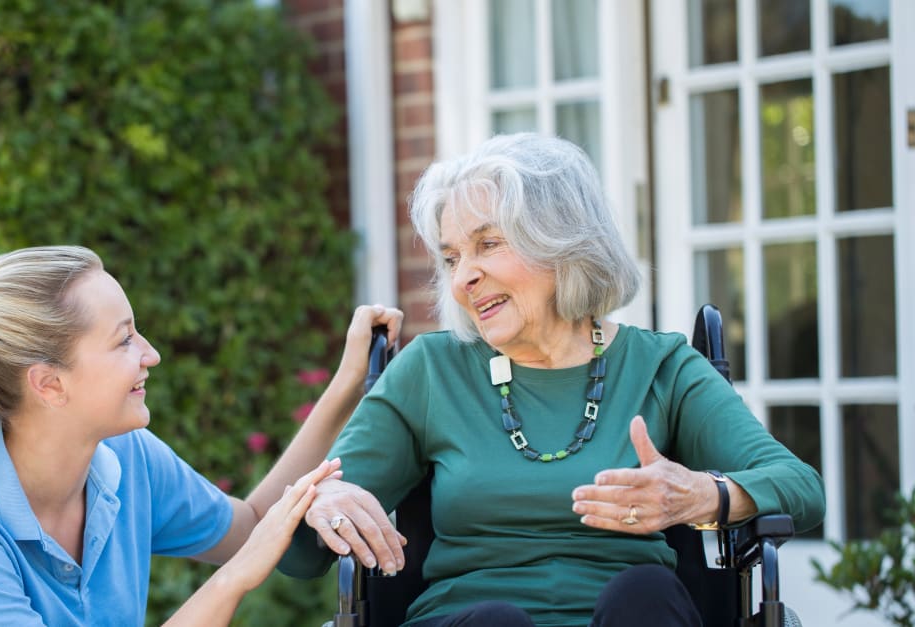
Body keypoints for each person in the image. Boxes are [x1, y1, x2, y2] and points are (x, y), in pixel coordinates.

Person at [278, 133, 825, 627]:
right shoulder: (430, 371)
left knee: (647, 594)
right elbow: (300, 556)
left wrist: (704, 495)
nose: (464, 276)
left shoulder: (662, 366)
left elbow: (801, 487)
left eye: (488, 244)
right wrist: (322, 502)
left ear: (561, 241)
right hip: (470, 620)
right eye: (451, 257)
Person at [0, 245, 403, 625]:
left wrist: (348, 382)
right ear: (50, 385)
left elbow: (250, 526)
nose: (150, 355)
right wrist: (233, 580)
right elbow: (245, 555)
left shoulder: (122, 458)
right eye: (124, 339)